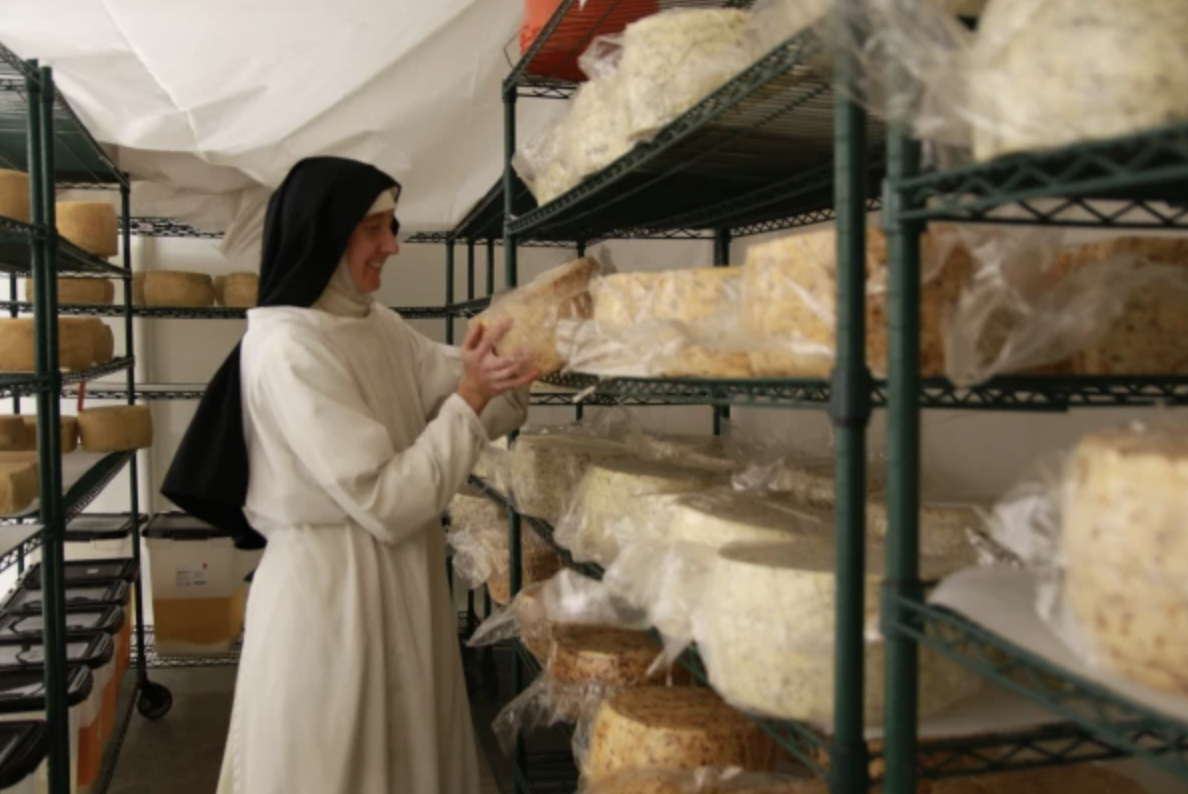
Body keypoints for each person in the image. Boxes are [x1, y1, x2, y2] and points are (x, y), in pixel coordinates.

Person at [161, 156, 536, 793]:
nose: (392, 245)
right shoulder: (288, 348)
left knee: (414, 757)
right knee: (338, 765)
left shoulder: (377, 326)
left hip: (403, 585)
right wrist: (471, 400)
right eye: (374, 228)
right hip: (332, 598)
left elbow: (467, 383)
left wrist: (526, 353)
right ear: (325, 233)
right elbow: (386, 499)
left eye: (393, 225)